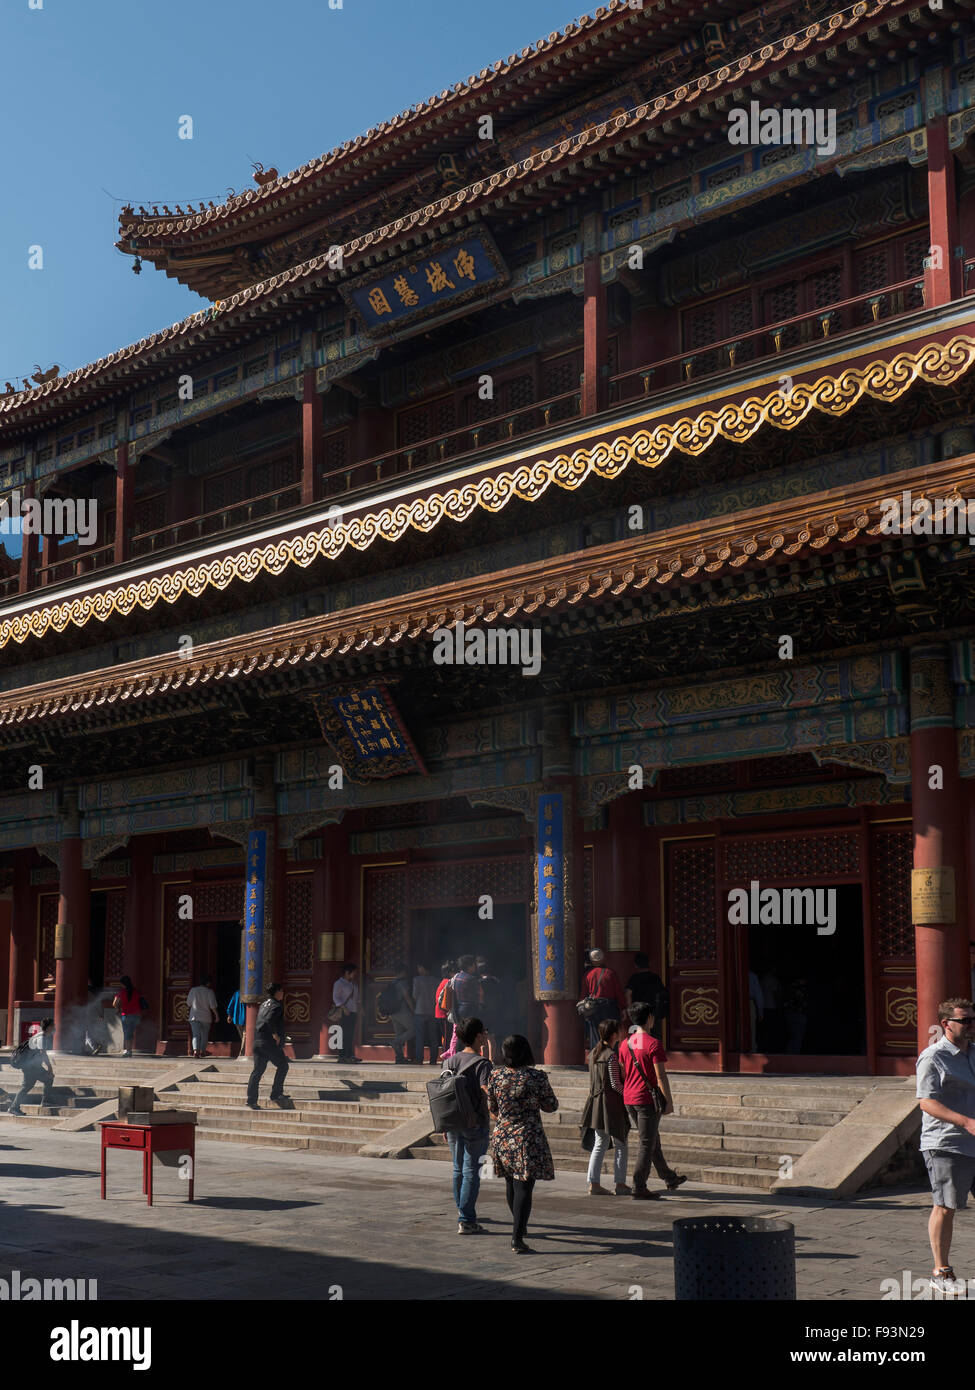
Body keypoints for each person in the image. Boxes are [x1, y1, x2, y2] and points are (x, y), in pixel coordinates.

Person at [916, 997, 975, 1295]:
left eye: (972, 1019)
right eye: (964, 1020)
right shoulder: (933, 1056)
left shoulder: (974, 1053)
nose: (970, 1025)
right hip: (947, 1143)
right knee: (946, 1206)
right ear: (946, 1024)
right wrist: (966, 1121)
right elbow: (926, 1102)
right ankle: (941, 1271)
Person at [486, 1034, 559, 1252]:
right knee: (524, 1186)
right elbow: (551, 1105)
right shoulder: (536, 1077)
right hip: (527, 1137)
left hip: (502, 1136)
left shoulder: (496, 1075)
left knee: (511, 1183)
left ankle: (520, 1226)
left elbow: (492, 1107)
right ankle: (517, 1238)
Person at [618, 1001, 674, 1200]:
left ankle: (670, 1177)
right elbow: (660, 1076)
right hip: (646, 1099)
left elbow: (623, 1073)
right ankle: (639, 1185)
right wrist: (668, 1100)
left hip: (629, 1097)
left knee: (651, 1139)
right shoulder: (653, 1044)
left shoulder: (625, 1043)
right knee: (646, 1143)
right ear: (650, 1018)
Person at [442, 1017, 493, 1233]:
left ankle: (462, 1210)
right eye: (484, 1032)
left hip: (454, 1120)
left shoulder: (449, 1061)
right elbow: (486, 1090)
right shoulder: (483, 1063)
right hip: (476, 1122)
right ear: (479, 1035)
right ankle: (466, 1219)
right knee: (472, 1170)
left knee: (458, 1169)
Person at [582, 1018, 630, 1195]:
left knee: (600, 1143)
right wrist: (629, 1095)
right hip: (610, 1105)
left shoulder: (593, 1054)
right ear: (614, 1035)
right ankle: (620, 1184)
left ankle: (594, 1183)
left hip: (595, 1104)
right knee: (621, 1143)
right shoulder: (611, 1056)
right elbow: (616, 1084)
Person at [246, 982, 289, 1109]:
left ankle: (251, 1100)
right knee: (283, 1066)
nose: (283, 993)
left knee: (257, 1071)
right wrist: (275, 1035)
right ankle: (276, 1094)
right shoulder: (277, 1005)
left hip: (258, 1042)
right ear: (277, 992)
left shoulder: (263, 1004)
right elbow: (269, 1020)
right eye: (281, 991)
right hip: (269, 1043)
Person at [579, 947, 626, 1051]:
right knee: (612, 1034)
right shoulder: (611, 973)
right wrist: (623, 1008)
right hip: (610, 1008)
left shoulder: (587, 975)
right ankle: (612, 1057)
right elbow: (619, 992)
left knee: (596, 1037)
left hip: (594, 1009)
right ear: (603, 958)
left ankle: (598, 1058)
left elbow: (583, 995)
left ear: (591, 960)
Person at [7, 1019, 56, 1115]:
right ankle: (46, 1101)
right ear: (49, 1027)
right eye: (53, 1026)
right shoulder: (41, 1038)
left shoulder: (40, 1035)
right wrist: (49, 1067)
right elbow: (43, 1053)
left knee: (26, 1087)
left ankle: (14, 1107)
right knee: (49, 1078)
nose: (55, 1028)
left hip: (29, 1066)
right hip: (32, 1066)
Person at [442, 955, 481, 1059]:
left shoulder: (456, 977)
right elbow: (476, 996)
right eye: (473, 964)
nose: (475, 967)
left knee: (460, 1033)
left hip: (458, 1009)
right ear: (469, 966)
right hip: (469, 1009)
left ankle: (457, 1055)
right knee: (469, 1033)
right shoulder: (471, 979)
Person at [625, 953, 668, 1040]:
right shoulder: (655, 977)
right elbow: (662, 994)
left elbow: (628, 993)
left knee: (639, 1035)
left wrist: (630, 1009)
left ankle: (641, 1049)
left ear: (636, 965)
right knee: (655, 1034)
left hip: (638, 1010)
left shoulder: (634, 978)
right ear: (649, 964)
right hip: (652, 1010)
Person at [411, 962, 440, 1064]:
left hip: (420, 1011)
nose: (418, 970)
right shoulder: (436, 981)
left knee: (420, 1037)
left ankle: (419, 1059)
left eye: (419, 967)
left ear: (423, 968)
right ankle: (433, 1060)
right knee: (433, 1037)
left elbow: (415, 996)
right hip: (432, 1012)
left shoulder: (417, 980)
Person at [386, 966, 415, 1064]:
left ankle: (399, 1058)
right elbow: (406, 997)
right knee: (415, 1029)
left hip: (392, 1012)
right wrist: (413, 1010)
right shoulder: (403, 983)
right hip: (402, 1012)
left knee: (399, 1034)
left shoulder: (392, 983)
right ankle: (396, 1042)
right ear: (402, 972)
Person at [475, 956, 501, 1061]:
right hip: (494, 1010)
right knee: (491, 1037)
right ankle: (491, 1059)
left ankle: (483, 1059)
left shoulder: (479, 982)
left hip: (483, 1010)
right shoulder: (496, 981)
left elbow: (479, 996)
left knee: (483, 1036)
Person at [186, 976, 219, 1058]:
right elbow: (213, 1006)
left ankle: (195, 1051)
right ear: (207, 983)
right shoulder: (209, 992)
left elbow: (188, 1003)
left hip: (194, 1016)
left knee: (195, 1034)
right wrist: (217, 1016)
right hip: (206, 1017)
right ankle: (202, 1051)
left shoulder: (193, 990)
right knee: (204, 1035)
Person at [332, 964, 359, 1063]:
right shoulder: (339, 983)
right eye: (353, 972)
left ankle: (350, 1055)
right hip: (344, 1011)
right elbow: (336, 997)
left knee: (350, 1034)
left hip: (353, 1010)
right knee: (344, 1034)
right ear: (347, 972)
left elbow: (356, 998)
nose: (355, 974)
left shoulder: (353, 983)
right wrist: (344, 1008)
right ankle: (343, 1056)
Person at [113, 976, 144, 1057]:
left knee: (127, 1033)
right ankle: (129, 1050)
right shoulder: (136, 991)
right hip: (136, 1016)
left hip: (126, 1015)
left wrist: (118, 1009)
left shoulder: (122, 992)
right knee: (131, 1033)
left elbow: (114, 1003)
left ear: (123, 984)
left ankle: (128, 1051)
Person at [226, 988, 246, 1055]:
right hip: (245, 1018)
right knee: (244, 1036)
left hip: (237, 1018)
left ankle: (242, 1052)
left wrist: (229, 1015)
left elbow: (231, 1005)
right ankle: (242, 1053)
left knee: (243, 1037)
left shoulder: (237, 993)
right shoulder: (249, 993)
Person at [748, 970, 764, 1052]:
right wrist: (760, 1012)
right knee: (751, 1028)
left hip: (747, 1002)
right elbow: (758, 995)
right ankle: (752, 1048)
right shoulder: (752, 976)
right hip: (749, 1002)